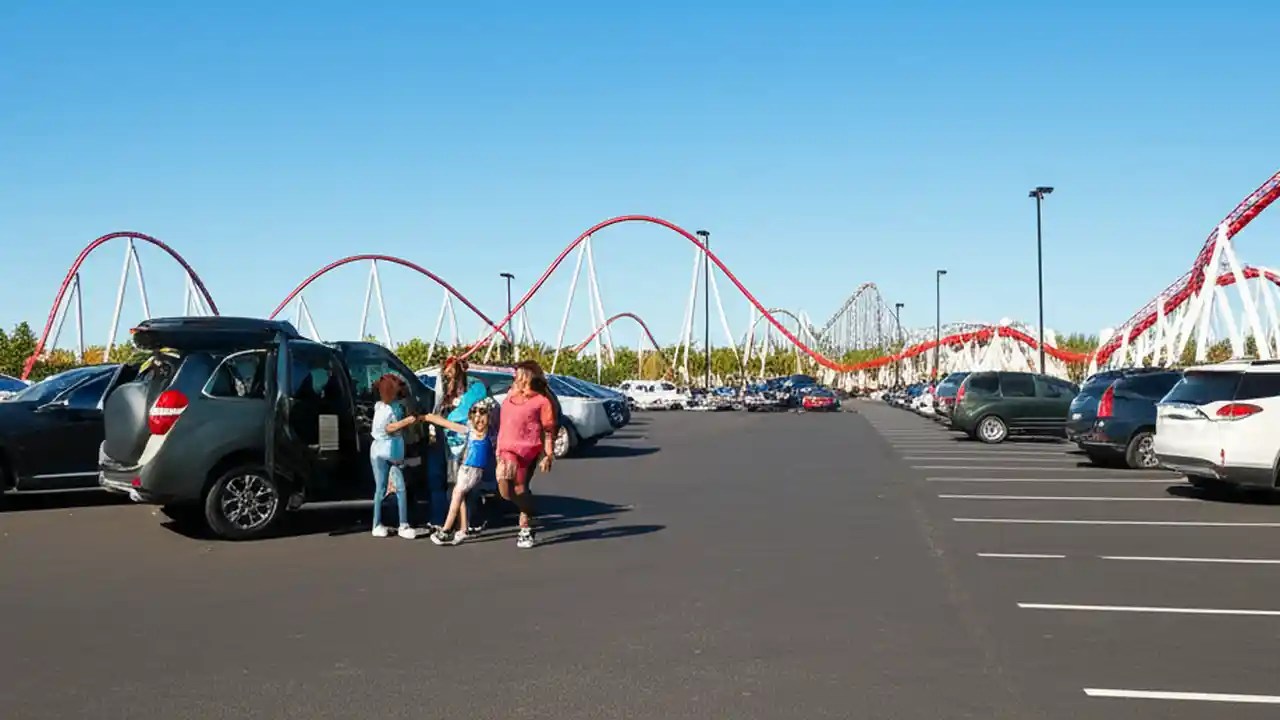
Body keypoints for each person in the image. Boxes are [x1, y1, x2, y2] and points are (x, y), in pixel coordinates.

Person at [496, 360, 557, 549]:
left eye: (520, 374)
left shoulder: (541, 401)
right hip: (505, 448)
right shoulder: (509, 397)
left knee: (520, 488)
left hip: (527, 451)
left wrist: (548, 455)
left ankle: (525, 526)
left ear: (529, 377)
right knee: (505, 491)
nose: (516, 377)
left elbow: (548, 431)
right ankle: (527, 509)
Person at [420, 400, 494, 546]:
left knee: (457, 495)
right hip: (465, 467)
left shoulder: (487, 433)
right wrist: (428, 417)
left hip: (472, 470)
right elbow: (448, 424)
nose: (478, 418)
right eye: (475, 414)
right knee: (459, 496)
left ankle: (447, 529)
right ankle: (463, 529)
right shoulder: (469, 429)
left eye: (482, 413)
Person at [433, 357, 489, 532]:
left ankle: (469, 521)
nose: (448, 377)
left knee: (466, 485)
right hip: (451, 442)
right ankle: (461, 524)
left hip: (467, 441)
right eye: (446, 374)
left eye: (451, 374)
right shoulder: (446, 392)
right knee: (455, 484)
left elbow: (465, 417)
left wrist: (444, 421)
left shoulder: (475, 388)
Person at [370, 373, 421, 539]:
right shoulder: (385, 410)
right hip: (385, 452)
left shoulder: (388, 407)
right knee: (384, 488)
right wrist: (408, 421)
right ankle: (384, 524)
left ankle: (399, 523)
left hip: (390, 451)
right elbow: (388, 428)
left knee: (396, 488)